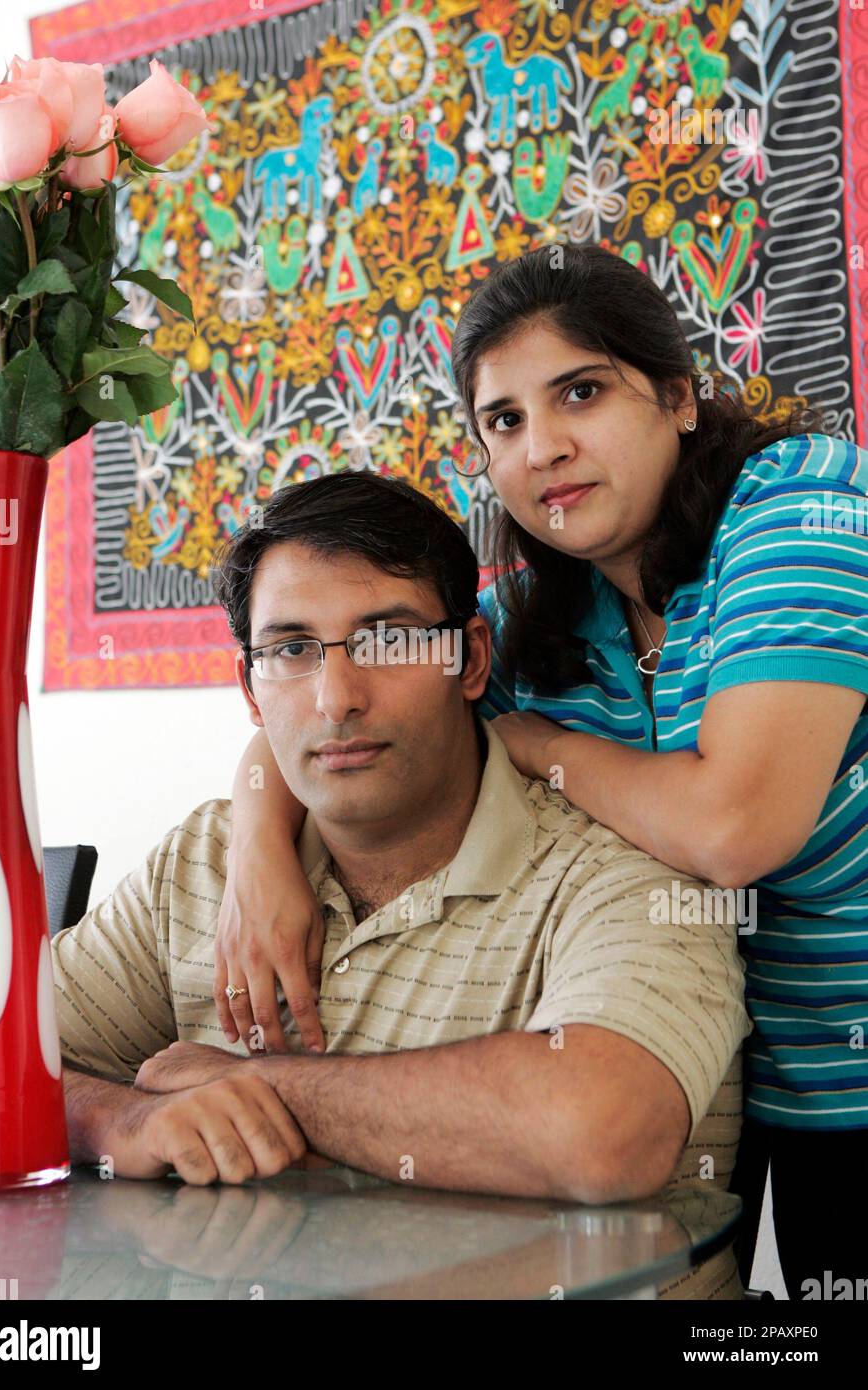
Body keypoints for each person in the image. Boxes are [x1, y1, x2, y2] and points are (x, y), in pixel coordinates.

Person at [216, 245, 868, 1300]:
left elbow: (737, 824)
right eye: (504, 421)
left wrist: (541, 748)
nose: (545, 447)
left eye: (581, 391)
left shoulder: (797, 503)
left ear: (676, 396)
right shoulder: (535, 616)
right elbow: (336, 697)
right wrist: (260, 858)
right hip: (744, 1077)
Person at [51, 470, 750, 1299]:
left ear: (469, 660)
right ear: (248, 688)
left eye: (388, 639)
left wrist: (254, 1087)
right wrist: (118, 1118)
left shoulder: (620, 871)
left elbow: (600, 1136)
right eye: (291, 650)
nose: (337, 698)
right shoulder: (206, 862)